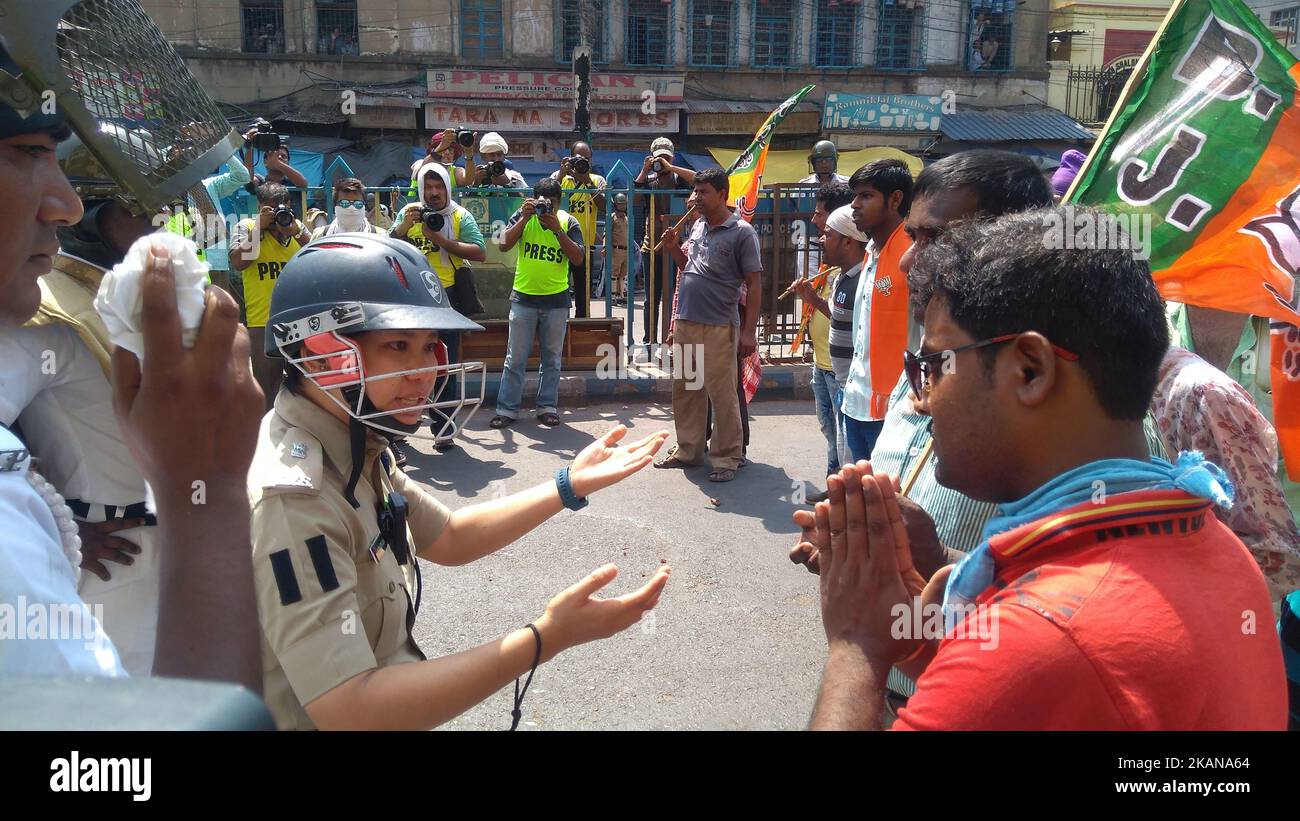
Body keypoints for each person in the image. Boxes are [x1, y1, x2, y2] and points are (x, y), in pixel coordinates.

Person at [805, 209, 1287, 730]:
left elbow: (1031, 669)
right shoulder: (1212, 544)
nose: (921, 402)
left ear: (1030, 370)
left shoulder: (1044, 636)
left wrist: (856, 646)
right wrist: (911, 630)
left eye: (935, 366)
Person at [252, 233, 671, 729]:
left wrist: (568, 484)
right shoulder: (296, 500)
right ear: (321, 355)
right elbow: (350, 708)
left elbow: (448, 536)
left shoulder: (351, 441)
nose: (425, 371)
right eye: (397, 346)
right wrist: (543, 639)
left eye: (430, 346)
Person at [0, 80, 262, 688]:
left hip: (167, 537)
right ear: (98, 205)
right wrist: (60, 523)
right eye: (143, 208)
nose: (165, 223)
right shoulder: (46, 307)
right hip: (114, 556)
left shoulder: (139, 296)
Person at [653, 168, 762, 483]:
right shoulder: (698, 226)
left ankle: (727, 457)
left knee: (722, 394)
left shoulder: (742, 232)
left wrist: (748, 331)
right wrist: (674, 246)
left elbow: (754, 284)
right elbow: (687, 268)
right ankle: (689, 451)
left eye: (703, 193)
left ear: (722, 195)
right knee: (687, 388)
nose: (696, 198)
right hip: (688, 320)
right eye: (695, 191)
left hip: (719, 325)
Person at [392, 162, 487, 451]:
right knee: (403, 365)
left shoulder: (460, 215)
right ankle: (398, 428)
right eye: (428, 187)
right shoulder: (408, 214)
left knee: (446, 365)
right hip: (411, 297)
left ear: (448, 187)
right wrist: (405, 226)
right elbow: (389, 247)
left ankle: (443, 426)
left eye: (439, 187)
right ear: (421, 189)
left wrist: (441, 240)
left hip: (447, 298)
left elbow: (479, 251)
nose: (434, 193)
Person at [490, 178, 585, 429]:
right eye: (542, 203)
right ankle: (507, 409)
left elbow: (578, 258)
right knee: (515, 359)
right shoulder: (524, 216)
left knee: (552, 359)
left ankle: (547, 407)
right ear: (533, 199)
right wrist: (523, 217)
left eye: (551, 204)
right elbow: (502, 245)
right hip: (524, 298)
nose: (546, 208)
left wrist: (557, 230)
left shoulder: (568, 221)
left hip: (556, 300)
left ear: (559, 202)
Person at [840, 159, 913, 463]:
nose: (854, 205)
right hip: (856, 401)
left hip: (894, 409)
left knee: (887, 503)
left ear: (895, 199)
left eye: (866, 196)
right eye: (854, 195)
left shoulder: (911, 254)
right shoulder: (870, 251)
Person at [794, 201, 866, 504]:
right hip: (826, 366)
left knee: (846, 438)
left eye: (828, 233)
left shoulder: (864, 279)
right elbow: (839, 317)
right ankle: (834, 486)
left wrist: (812, 299)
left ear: (848, 241)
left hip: (848, 378)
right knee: (831, 431)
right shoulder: (840, 276)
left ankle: (844, 497)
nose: (821, 238)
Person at [229, 182, 313, 406]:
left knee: (306, 389)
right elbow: (239, 262)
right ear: (260, 208)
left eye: (281, 209)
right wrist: (258, 229)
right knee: (265, 392)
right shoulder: (246, 227)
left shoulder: (296, 229)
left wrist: (296, 231)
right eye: (271, 210)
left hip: (300, 321)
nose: (277, 215)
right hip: (262, 323)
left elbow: (318, 256)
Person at [635, 137, 696, 345]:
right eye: (658, 158)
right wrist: (644, 171)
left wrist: (672, 168)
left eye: (666, 157)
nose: (662, 161)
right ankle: (649, 339)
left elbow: (697, 179)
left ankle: (671, 338)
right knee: (651, 298)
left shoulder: (679, 180)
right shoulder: (649, 182)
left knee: (674, 296)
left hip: (675, 247)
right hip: (650, 246)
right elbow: (634, 199)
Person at [552, 141, 606, 317]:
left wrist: (587, 183)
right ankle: (561, 322)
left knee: (583, 292)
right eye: (578, 158)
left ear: (591, 160)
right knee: (559, 288)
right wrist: (561, 174)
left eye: (587, 159)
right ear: (570, 158)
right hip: (559, 243)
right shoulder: (561, 178)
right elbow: (546, 194)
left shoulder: (597, 180)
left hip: (586, 245)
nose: (582, 162)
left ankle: (581, 323)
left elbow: (605, 206)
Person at [312, 177, 386, 240]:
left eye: (358, 204)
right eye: (344, 203)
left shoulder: (380, 236)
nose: (351, 208)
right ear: (335, 207)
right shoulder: (320, 236)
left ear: (364, 207)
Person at [609, 192, 630, 306]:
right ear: (616, 204)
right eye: (620, 204)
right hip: (616, 249)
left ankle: (620, 295)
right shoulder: (612, 217)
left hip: (626, 249)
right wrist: (605, 246)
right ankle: (612, 296)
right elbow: (607, 233)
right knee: (614, 273)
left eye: (624, 204)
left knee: (622, 274)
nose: (623, 206)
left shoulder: (627, 218)